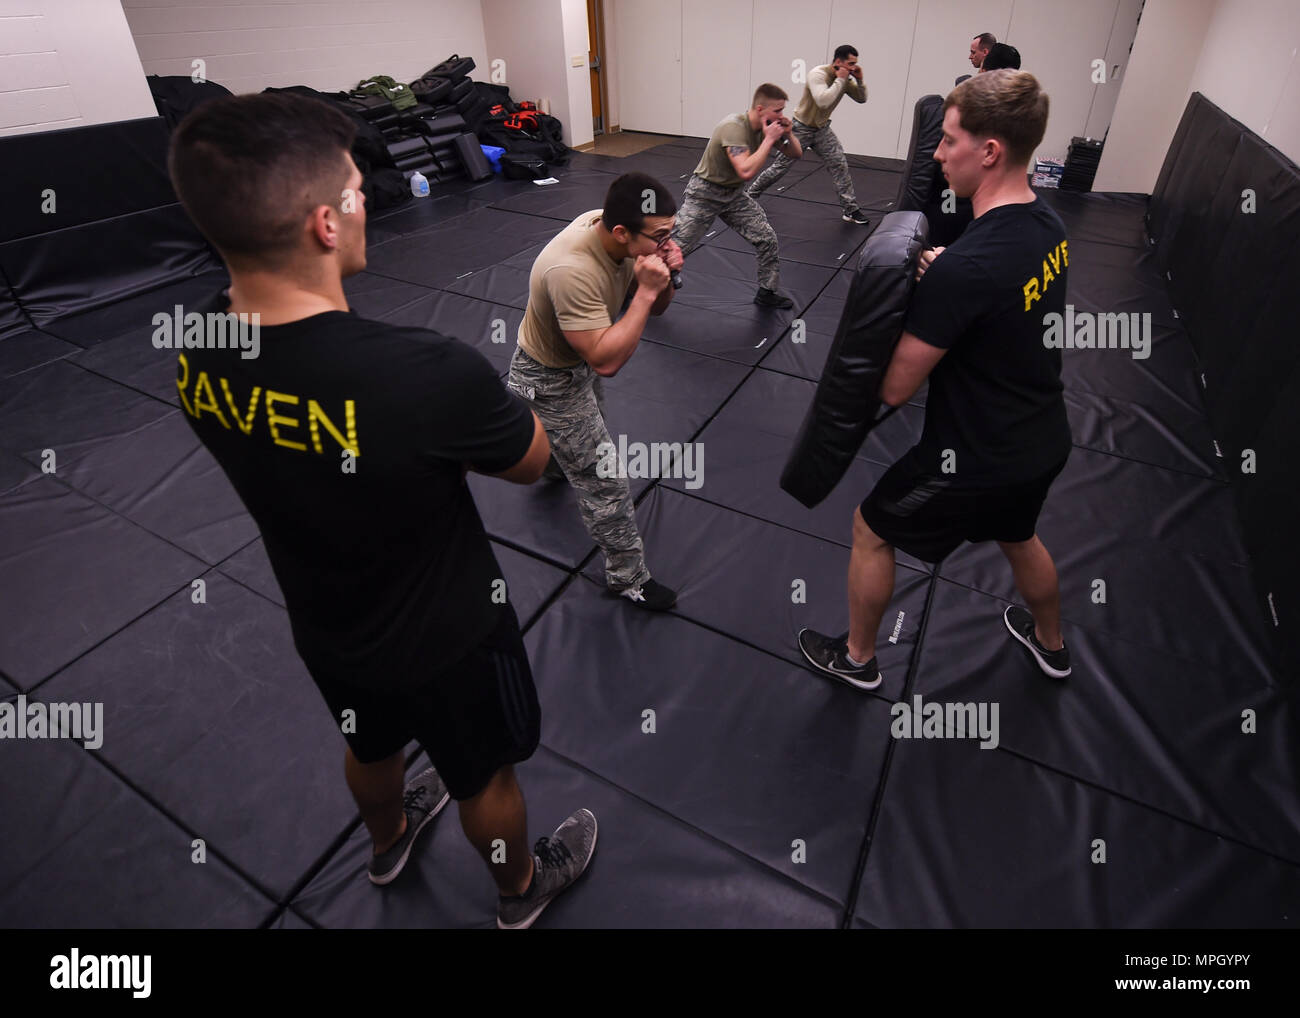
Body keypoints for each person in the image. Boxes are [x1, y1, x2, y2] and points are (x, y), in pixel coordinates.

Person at [167, 92, 596, 930]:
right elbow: (537, 460)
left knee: (369, 745)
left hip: (327, 629)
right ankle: (519, 894)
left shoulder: (196, 350)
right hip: (454, 639)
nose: (366, 203)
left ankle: (389, 839)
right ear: (327, 224)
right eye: (358, 190)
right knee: (487, 780)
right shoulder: (423, 372)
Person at [798, 70, 1073, 689]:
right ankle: (1052, 645)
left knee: (871, 527)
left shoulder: (966, 268)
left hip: (973, 457)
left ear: (990, 151)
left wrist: (910, 299)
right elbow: (1005, 292)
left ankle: (859, 660)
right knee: (1020, 536)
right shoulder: (1048, 226)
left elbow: (894, 389)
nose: (937, 154)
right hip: (1043, 438)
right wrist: (948, 278)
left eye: (949, 141)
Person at [507, 172, 683, 611]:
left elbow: (657, 309)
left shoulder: (613, 231)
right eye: (659, 236)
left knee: (578, 446)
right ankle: (628, 578)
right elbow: (607, 361)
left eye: (671, 234)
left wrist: (668, 277)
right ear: (621, 232)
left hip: (578, 363)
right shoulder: (572, 270)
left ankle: (554, 465)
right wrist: (645, 292)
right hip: (548, 379)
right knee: (605, 481)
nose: (665, 244)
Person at [672, 84, 802, 309]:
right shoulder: (733, 127)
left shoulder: (766, 127)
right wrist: (770, 140)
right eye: (778, 110)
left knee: (766, 238)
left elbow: (795, 153)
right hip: (705, 194)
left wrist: (788, 133)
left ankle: (767, 292)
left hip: (733, 195)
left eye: (783, 110)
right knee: (676, 246)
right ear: (760, 109)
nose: (782, 116)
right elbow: (745, 171)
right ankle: (632, 286)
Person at [746, 45, 870, 225]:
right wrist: (841, 80)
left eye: (855, 64)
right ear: (837, 62)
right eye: (850, 64)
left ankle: (850, 210)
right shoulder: (817, 74)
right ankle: (749, 196)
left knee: (839, 164)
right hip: (800, 128)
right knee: (779, 168)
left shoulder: (845, 79)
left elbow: (861, 98)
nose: (853, 68)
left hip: (822, 130)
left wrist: (859, 80)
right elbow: (823, 101)